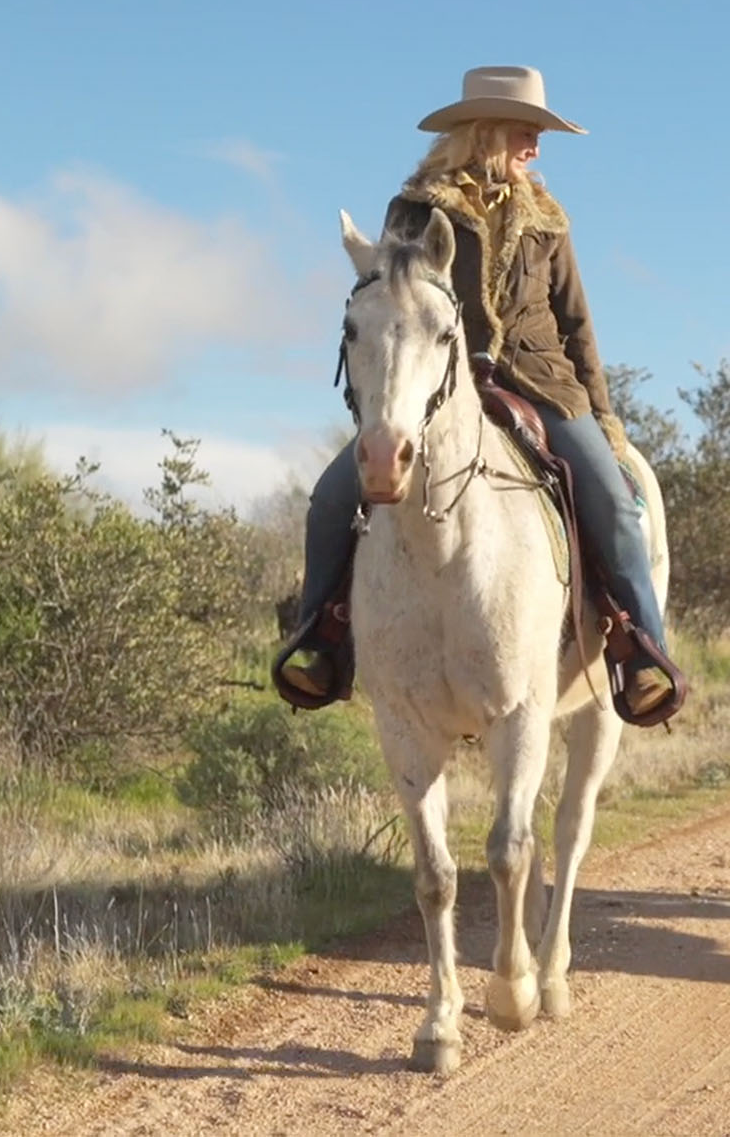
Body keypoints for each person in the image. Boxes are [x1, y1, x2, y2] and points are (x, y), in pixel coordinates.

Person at [272, 64, 680, 721]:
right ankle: (321, 639)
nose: (537, 146)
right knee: (328, 499)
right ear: (483, 131)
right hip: (437, 391)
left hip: (544, 382)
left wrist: (602, 415)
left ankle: (640, 651)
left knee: (617, 502)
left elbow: (576, 323)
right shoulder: (413, 209)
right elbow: (392, 306)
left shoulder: (549, 220)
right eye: (527, 129)